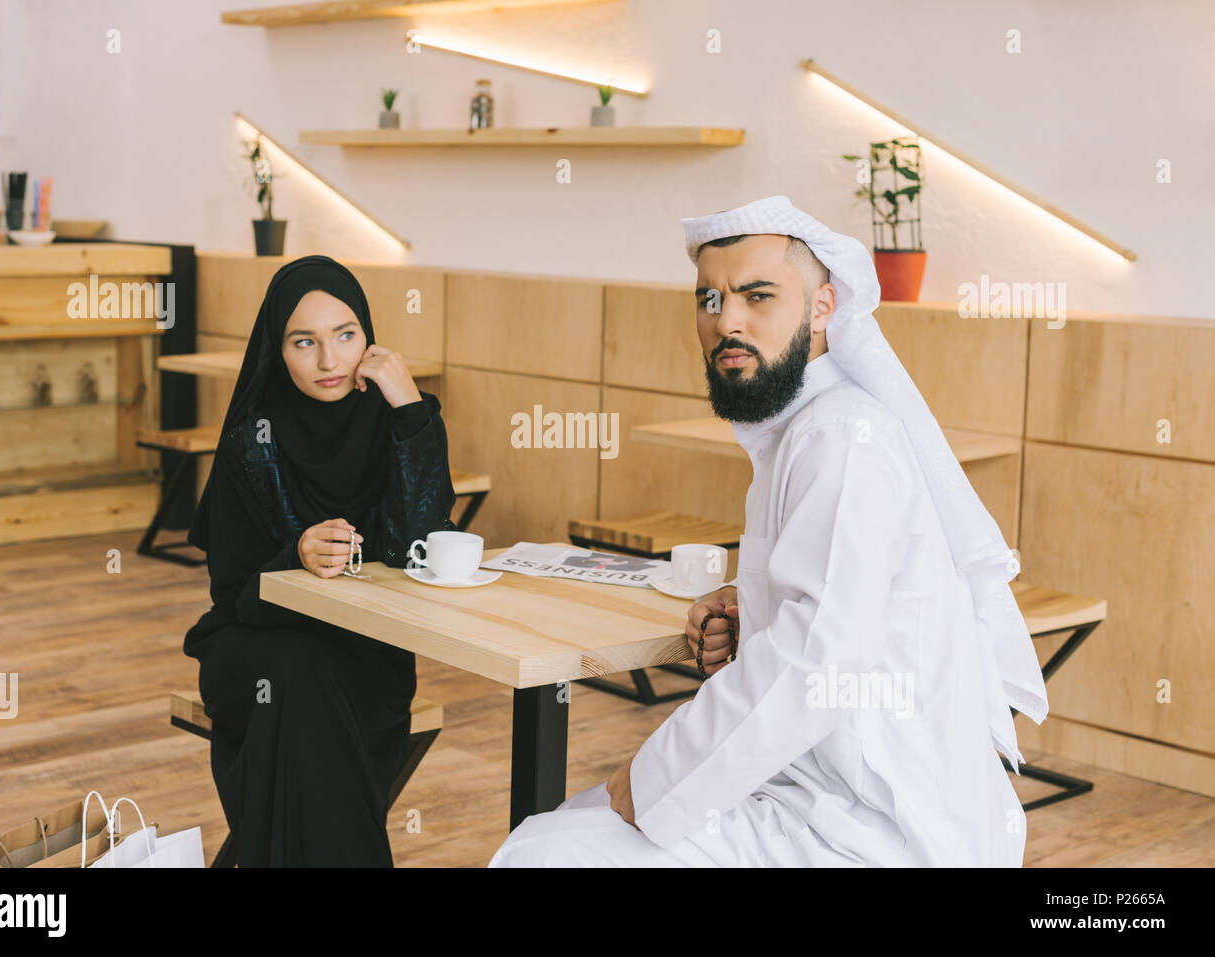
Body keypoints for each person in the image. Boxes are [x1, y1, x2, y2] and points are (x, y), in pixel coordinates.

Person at [489, 196, 1048, 867]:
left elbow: (818, 653)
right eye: (710, 298)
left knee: (546, 853)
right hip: (812, 792)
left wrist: (656, 777)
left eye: (757, 296)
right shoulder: (800, 432)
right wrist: (749, 602)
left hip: (877, 831)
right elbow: (833, 603)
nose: (726, 321)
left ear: (822, 308)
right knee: (563, 828)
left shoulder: (843, 439)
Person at [183, 255, 456, 866]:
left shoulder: (399, 420)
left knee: (310, 695)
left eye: (346, 335)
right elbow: (233, 595)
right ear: (277, 350)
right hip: (256, 647)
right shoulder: (251, 440)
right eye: (304, 342)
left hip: (366, 650)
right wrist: (294, 556)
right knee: (298, 676)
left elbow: (420, 548)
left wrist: (411, 409)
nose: (329, 360)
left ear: (369, 338)